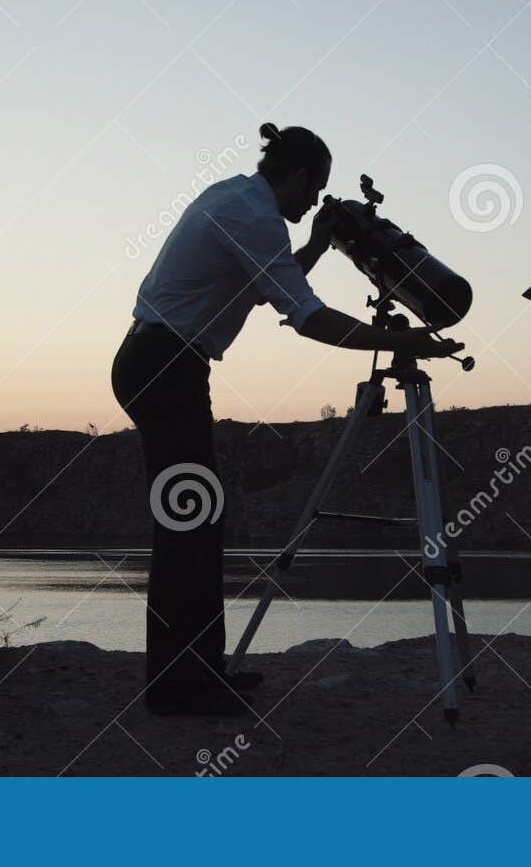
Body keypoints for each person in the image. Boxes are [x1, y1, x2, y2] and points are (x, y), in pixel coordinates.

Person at [111, 122, 463, 716]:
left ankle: (197, 671)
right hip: (164, 366)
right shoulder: (255, 216)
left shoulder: (236, 197)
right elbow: (309, 317)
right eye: (314, 187)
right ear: (297, 174)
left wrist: (320, 245)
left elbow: (266, 281)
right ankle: (178, 688)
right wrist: (408, 344)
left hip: (158, 360)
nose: (312, 203)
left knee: (196, 520)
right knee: (188, 522)